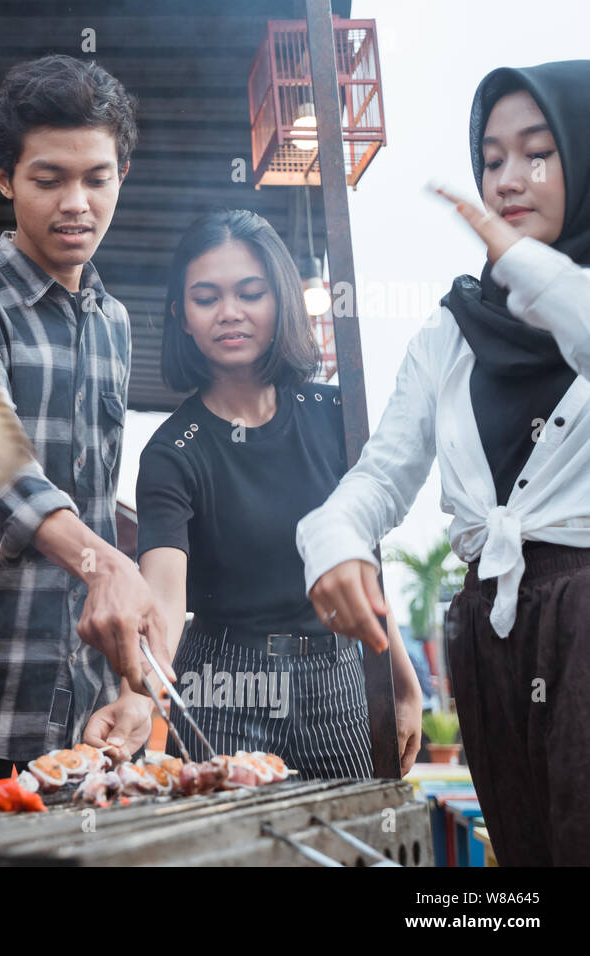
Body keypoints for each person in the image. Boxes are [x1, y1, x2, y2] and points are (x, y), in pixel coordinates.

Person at [298, 60, 590, 864]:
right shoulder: (451, 333)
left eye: (537, 153)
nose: (508, 178)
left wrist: (526, 267)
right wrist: (335, 538)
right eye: (491, 159)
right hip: (490, 633)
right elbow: (383, 475)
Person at [0, 55, 171, 799]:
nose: (75, 203)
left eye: (96, 178)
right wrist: (106, 564)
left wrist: (129, 683)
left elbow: (102, 499)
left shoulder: (114, 323)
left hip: (76, 708)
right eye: (49, 179)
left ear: (123, 175)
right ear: (4, 177)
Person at [129, 210, 421, 778]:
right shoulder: (171, 451)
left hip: (338, 675)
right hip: (220, 682)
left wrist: (402, 683)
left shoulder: (337, 417)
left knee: (349, 840)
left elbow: (368, 570)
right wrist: (141, 693)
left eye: (251, 293)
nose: (230, 312)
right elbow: (163, 599)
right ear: (181, 318)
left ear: (281, 301)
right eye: (206, 297)